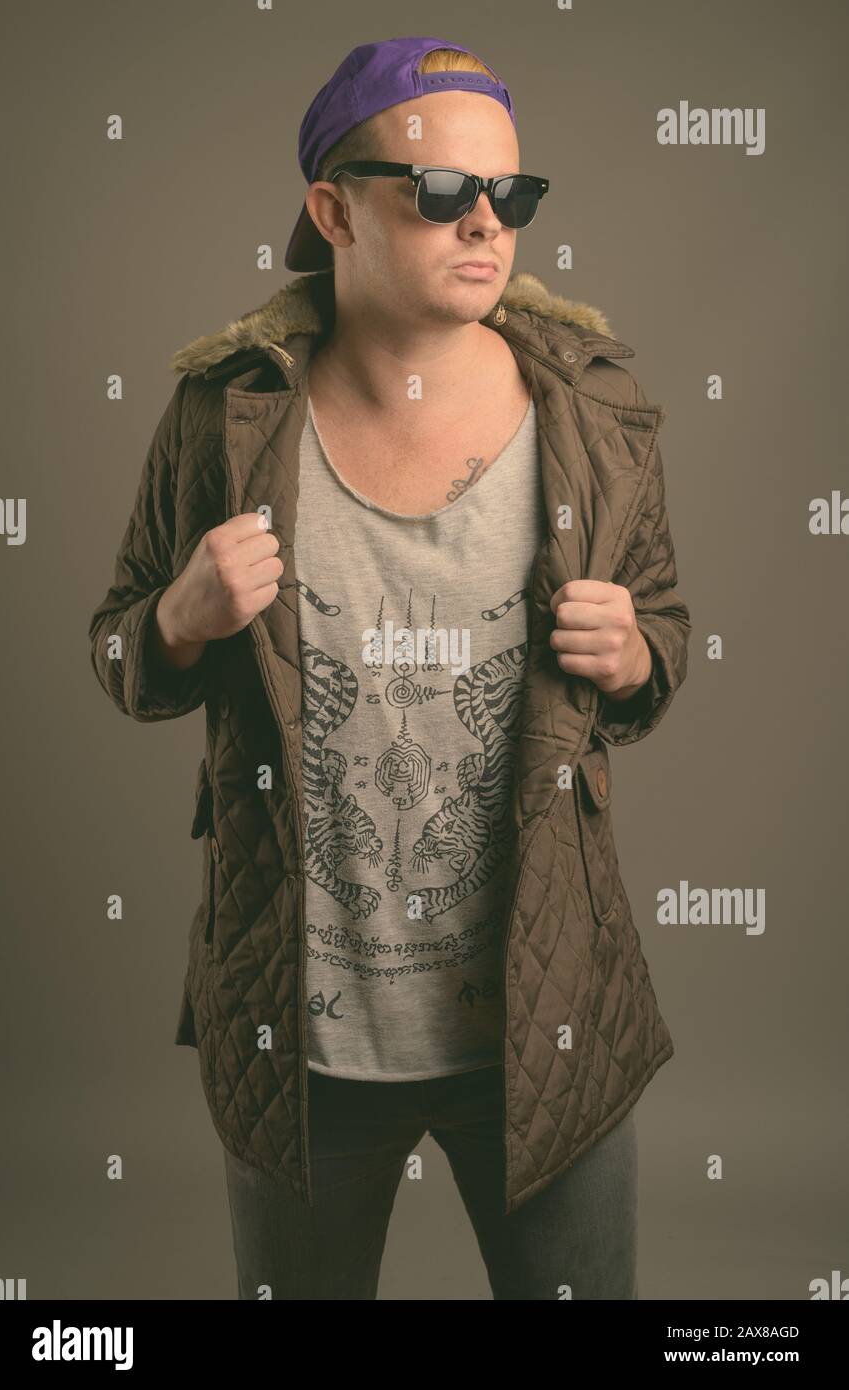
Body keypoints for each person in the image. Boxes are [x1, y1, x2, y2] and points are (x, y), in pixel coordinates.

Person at [88, 37, 691, 1300]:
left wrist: (637, 655)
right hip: (301, 1038)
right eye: (438, 191)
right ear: (332, 208)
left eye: (510, 196)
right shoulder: (225, 417)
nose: (485, 223)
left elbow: (663, 644)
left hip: (543, 1023)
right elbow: (118, 650)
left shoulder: (597, 415)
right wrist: (181, 619)